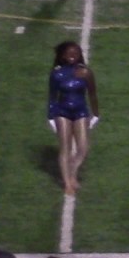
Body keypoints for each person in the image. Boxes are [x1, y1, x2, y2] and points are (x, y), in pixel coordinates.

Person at [48, 41, 100, 196]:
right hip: (62, 113)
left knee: (83, 147)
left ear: (79, 55)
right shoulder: (56, 74)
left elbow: (92, 94)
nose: (72, 56)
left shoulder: (86, 73)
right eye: (69, 53)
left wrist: (96, 114)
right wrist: (50, 117)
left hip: (80, 112)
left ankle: (73, 171)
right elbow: (52, 97)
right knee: (65, 148)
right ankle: (67, 183)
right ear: (63, 55)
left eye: (75, 53)